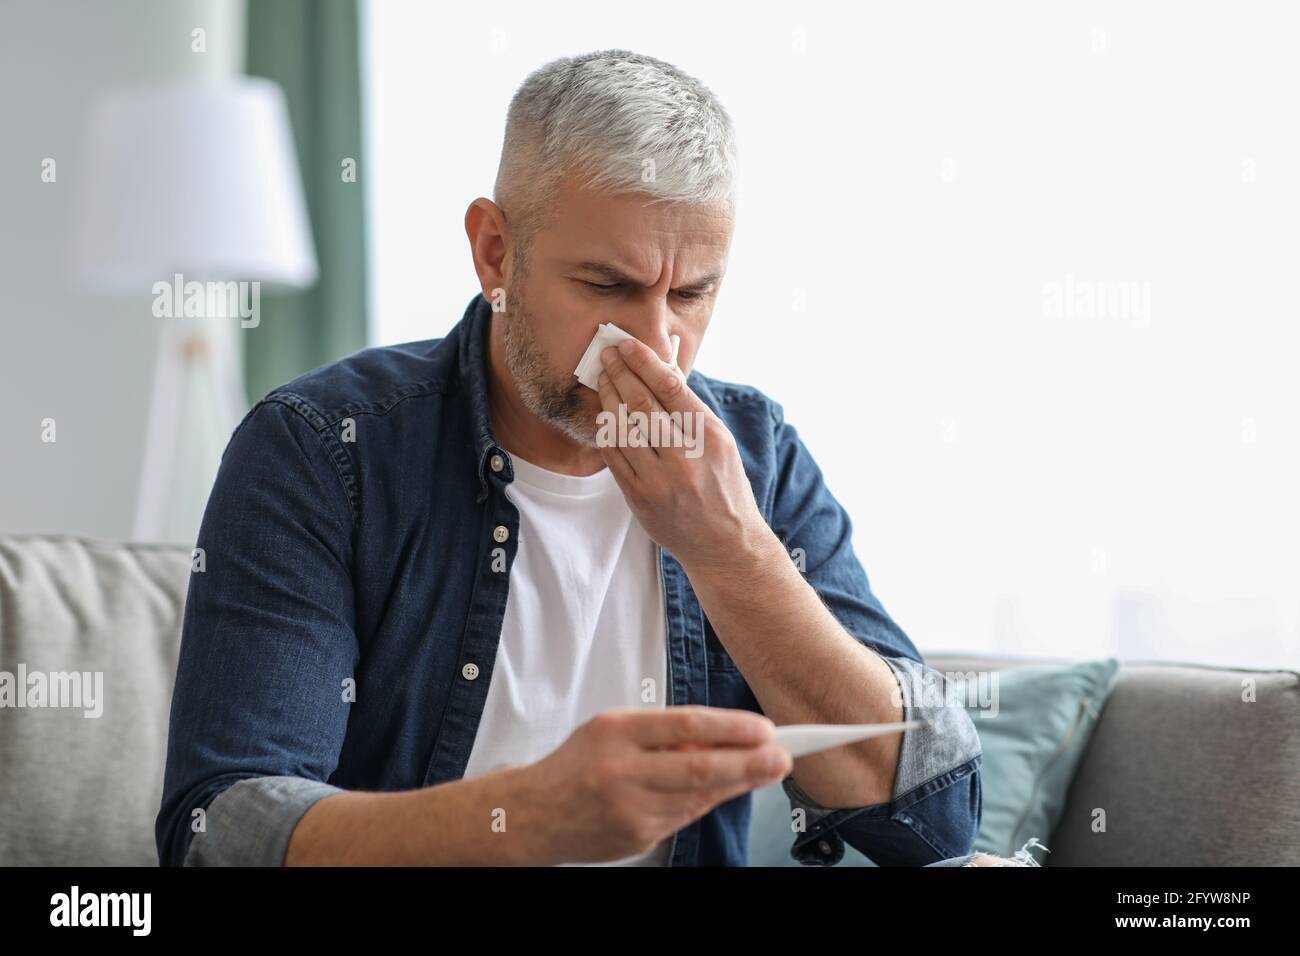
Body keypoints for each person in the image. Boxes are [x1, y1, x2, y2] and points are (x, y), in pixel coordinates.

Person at [157, 49, 1022, 868]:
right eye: (607, 286)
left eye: (691, 293)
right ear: (495, 252)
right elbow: (221, 827)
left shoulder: (755, 458)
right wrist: (527, 815)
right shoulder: (323, 449)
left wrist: (731, 549)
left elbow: (936, 820)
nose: (654, 344)